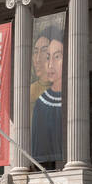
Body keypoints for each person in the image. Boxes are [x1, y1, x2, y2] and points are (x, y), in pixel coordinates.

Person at [30, 26, 65, 166]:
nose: (50, 65)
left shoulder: (70, 98)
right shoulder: (41, 102)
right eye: (49, 57)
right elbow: (39, 145)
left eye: (57, 57)